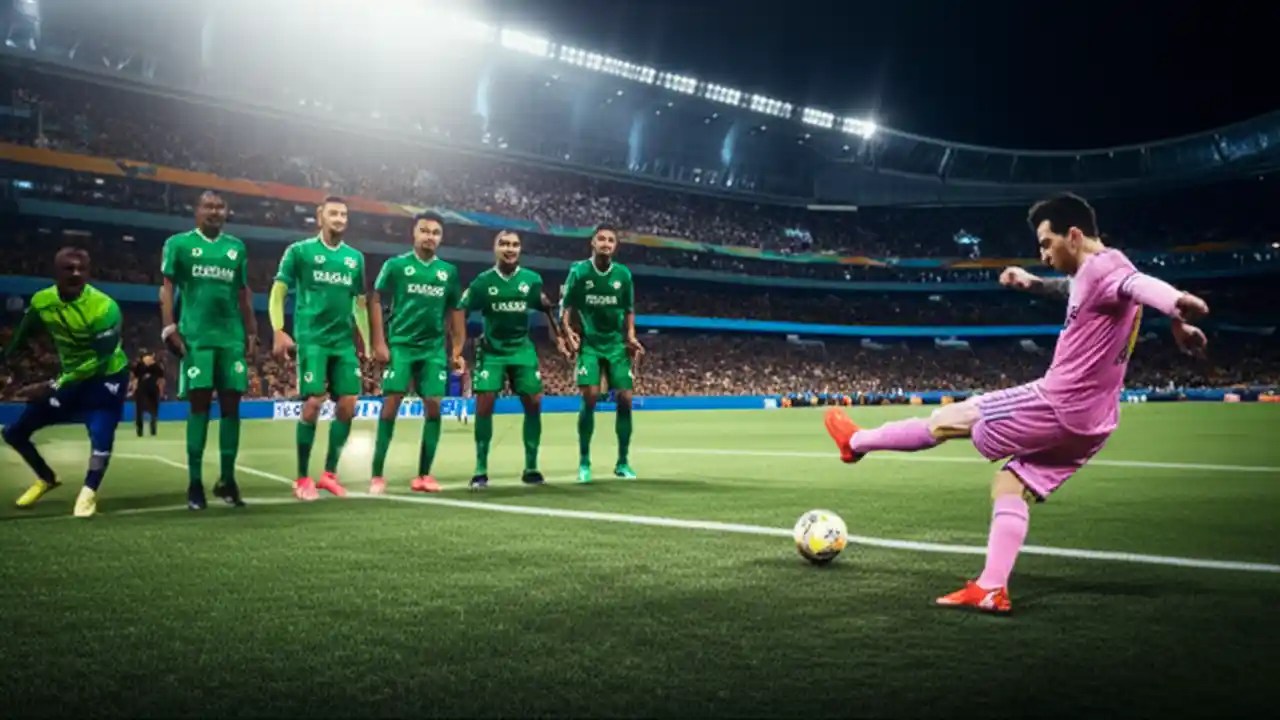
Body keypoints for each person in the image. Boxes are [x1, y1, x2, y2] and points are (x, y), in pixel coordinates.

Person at [823, 193, 1210, 614]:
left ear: (1074, 235)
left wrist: (1177, 303)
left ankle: (855, 442)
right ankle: (991, 588)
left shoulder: (1106, 269)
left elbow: (1140, 287)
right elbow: (1107, 287)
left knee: (951, 418)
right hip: (1095, 423)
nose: (1043, 254)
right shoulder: (1103, 270)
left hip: (1058, 402)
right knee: (1011, 485)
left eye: (1046, 243)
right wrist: (1033, 283)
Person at [1, 247, 130, 518]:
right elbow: (23, 333)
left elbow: (101, 359)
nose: (76, 273)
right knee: (14, 433)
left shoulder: (105, 307)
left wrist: (55, 384)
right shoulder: (42, 301)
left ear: (89, 273)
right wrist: (6, 357)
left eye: (81, 269)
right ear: (56, 272)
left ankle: (89, 491)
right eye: (69, 268)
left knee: (101, 436)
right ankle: (46, 478)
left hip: (106, 378)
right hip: (71, 378)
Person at [159, 190, 257, 509]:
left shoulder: (236, 247)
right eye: (208, 206)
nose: (214, 212)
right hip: (196, 338)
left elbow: (243, 291)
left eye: (219, 207)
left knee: (232, 407)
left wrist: (252, 330)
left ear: (226, 212)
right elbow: (167, 287)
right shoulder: (179, 244)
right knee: (199, 405)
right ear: (197, 211)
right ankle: (195, 484)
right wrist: (169, 327)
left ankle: (227, 480)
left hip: (231, 338)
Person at [271, 196, 371, 501]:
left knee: (349, 403)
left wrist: (367, 342)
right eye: (333, 213)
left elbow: (359, 304)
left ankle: (329, 474)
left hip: (342, 343)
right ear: (320, 217)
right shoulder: (299, 252)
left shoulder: (355, 258)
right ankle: (302, 478)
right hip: (312, 339)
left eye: (343, 214)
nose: (339, 219)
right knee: (314, 401)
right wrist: (278, 330)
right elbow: (278, 291)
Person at [457, 230, 571, 489]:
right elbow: (460, 310)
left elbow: (545, 307)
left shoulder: (531, 280)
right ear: (495, 248)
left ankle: (531, 467)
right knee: (484, 404)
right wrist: (458, 346)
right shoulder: (482, 282)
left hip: (522, 349)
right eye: (504, 244)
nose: (510, 249)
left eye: (515, 245)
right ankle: (480, 469)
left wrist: (559, 339)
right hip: (492, 351)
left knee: (534, 402)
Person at [367, 212, 465, 494]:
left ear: (441, 238)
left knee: (434, 406)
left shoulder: (448, 272)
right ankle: (377, 475)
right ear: (414, 233)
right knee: (391, 404)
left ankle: (424, 475)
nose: (429, 236)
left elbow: (456, 309)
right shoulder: (396, 265)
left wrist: (457, 348)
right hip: (401, 346)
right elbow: (374, 298)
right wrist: (379, 342)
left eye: (435, 232)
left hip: (433, 350)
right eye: (425, 230)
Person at [559, 224, 644, 483]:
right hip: (590, 344)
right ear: (593, 243)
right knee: (591, 396)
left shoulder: (623, 275)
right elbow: (566, 306)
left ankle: (623, 462)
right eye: (602, 239)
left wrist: (630, 334)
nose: (606, 243)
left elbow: (629, 308)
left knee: (626, 398)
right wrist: (567, 332)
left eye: (610, 240)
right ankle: (584, 462)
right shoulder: (579, 271)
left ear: (615, 246)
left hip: (616, 344)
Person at [129, 349, 165, 437]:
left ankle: (147, 429)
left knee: (148, 411)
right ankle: (145, 429)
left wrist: (161, 391)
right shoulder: (141, 366)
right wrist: (133, 388)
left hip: (149, 390)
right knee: (144, 411)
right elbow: (134, 378)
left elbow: (161, 380)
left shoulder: (155, 366)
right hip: (145, 390)